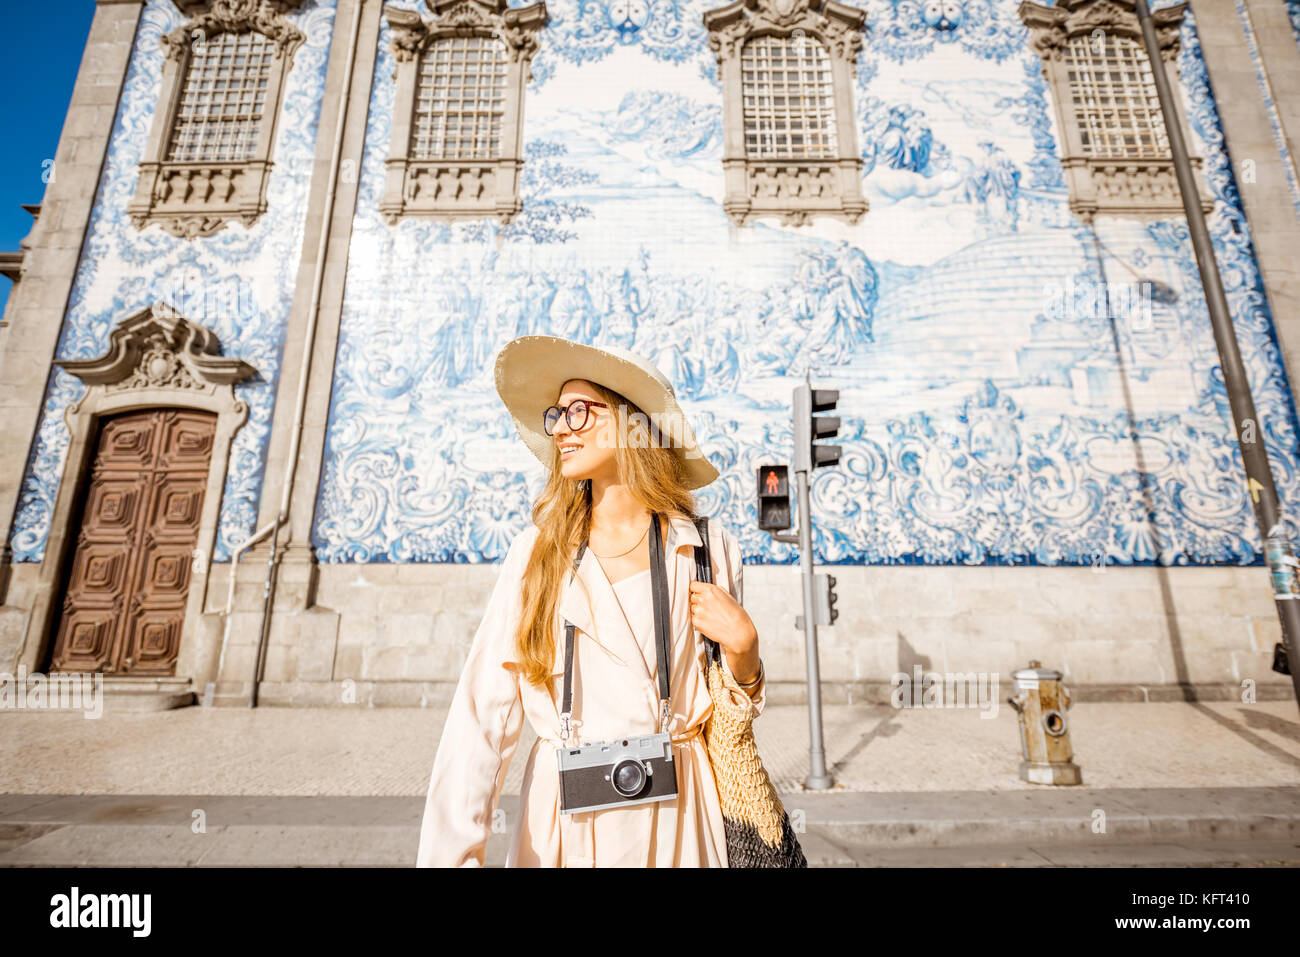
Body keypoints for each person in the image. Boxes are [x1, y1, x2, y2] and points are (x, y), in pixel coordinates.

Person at [416, 334, 765, 867]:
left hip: (684, 822)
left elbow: (729, 710)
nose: (559, 428)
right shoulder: (537, 554)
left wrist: (745, 649)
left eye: (579, 412)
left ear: (632, 424)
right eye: (557, 414)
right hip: (567, 826)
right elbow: (482, 719)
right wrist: (455, 857)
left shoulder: (707, 547)